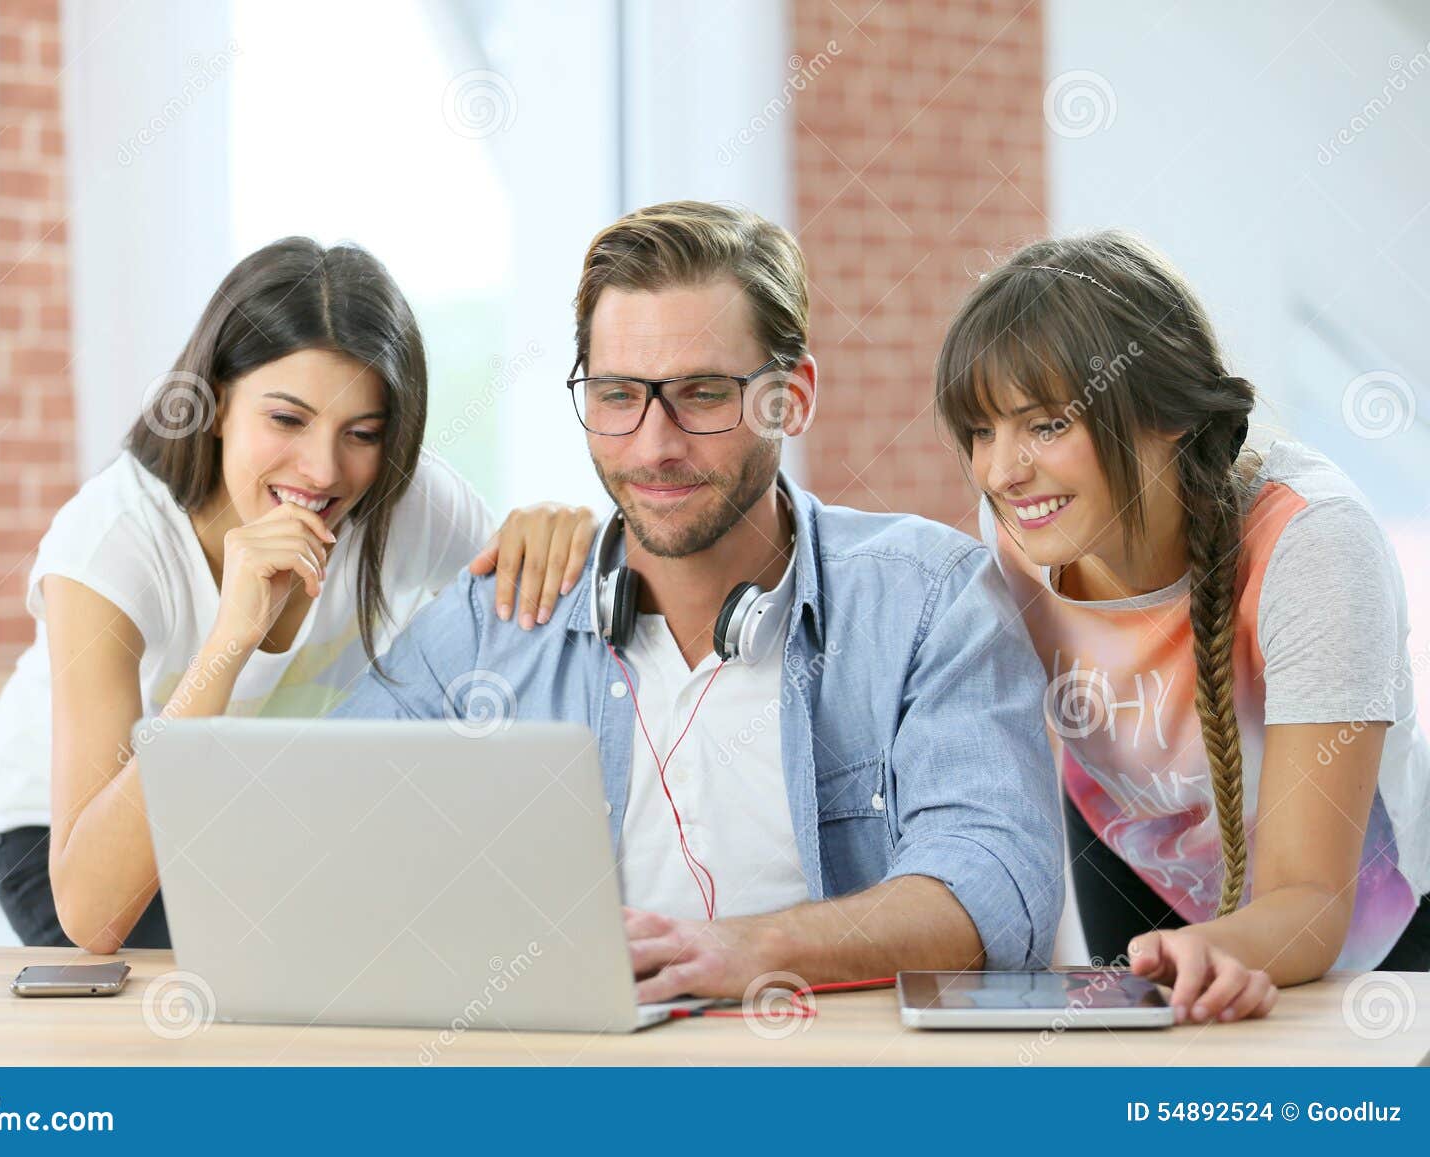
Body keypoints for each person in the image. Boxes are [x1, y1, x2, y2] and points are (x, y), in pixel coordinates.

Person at [335, 201, 1063, 1001]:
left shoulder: (928, 602)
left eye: (704, 394)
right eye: (618, 396)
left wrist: (754, 949)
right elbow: (318, 840)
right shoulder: (497, 619)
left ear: (792, 397)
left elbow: (996, 885)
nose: (655, 447)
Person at [0, 237, 595, 954]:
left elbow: (531, 621)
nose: (323, 471)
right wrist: (229, 640)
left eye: (362, 433)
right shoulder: (112, 539)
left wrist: (552, 537)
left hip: (243, 824)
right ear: (214, 402)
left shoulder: (402, 502)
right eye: (287, 420)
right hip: (69, 844)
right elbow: (91, 909)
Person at [934, 229, 1430, 1025]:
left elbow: (1309, 893)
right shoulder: (1025, 534)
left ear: (1166, 414)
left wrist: (1219, 947)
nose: (1002, 471)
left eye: (1047, 424)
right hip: (1137, 856)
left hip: (1374, 921)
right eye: (982, 431)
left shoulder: (1313, 543)